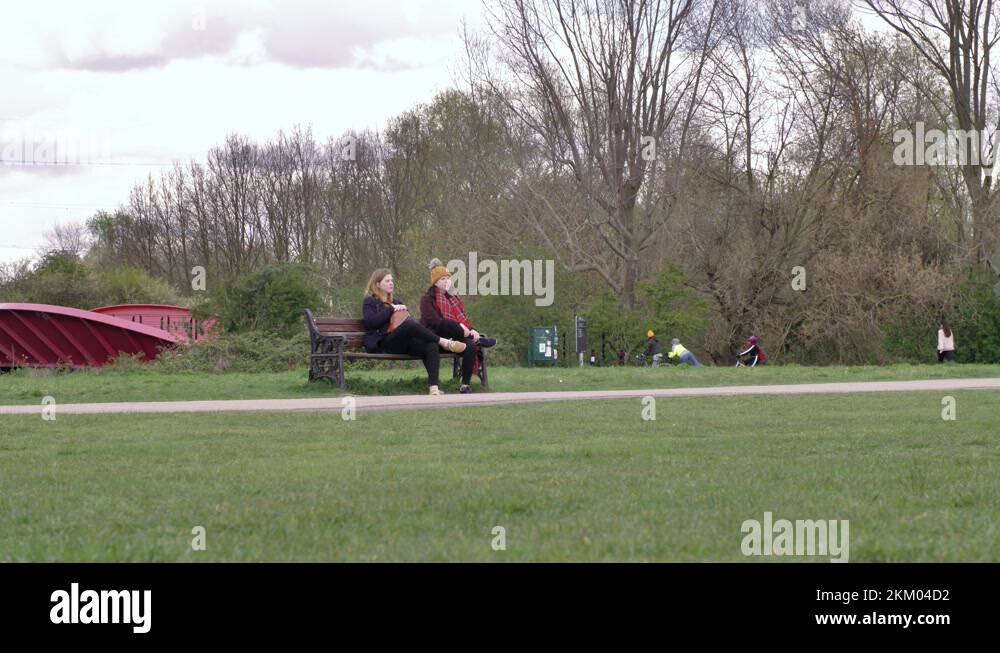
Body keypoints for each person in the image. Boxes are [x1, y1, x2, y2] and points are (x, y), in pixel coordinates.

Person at [362, 268, 466, 396]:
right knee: (410, 326)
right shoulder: (370, 302)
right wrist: (391, 310)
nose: (391, 283)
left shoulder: (397, 301)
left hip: (404, 343)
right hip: (385, 342)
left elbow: (405, 321)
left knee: (431, 345)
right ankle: (444, 342)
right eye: (387, 281)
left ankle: (434, 388)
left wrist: (403, 311)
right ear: (377, 284)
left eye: (392, 280)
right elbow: (370, 323)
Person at [418, 259, 496, 394]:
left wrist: (472, 330)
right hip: (436, 337)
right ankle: (476, 338)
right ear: (435, 282)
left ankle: (465, 385)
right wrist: (463, 329)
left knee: (470, 345)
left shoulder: (453, 298)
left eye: (448, 278)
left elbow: (462, 318)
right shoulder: (427, 299)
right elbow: (436, 323)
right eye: (443, 278)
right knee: (449, 325)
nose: (446, 281)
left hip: (455, 337)